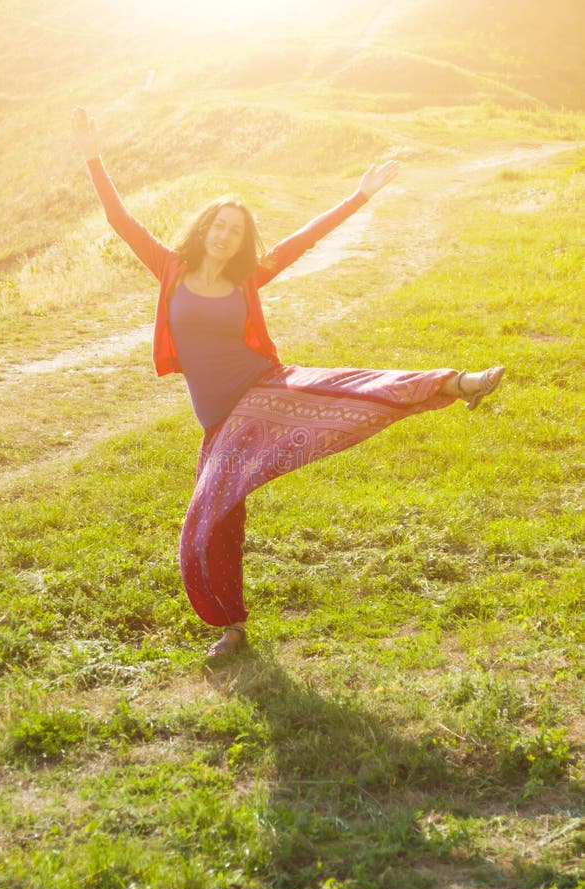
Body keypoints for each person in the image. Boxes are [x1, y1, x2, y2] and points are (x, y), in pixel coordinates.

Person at [72, 107, 504, 656]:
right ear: (204, 228)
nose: (226, 237)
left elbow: (303, 240)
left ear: (242, 241)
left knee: (347, 386)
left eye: (237, 231)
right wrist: (92, 154)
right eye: (219, 226)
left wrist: (359, 196)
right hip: (219, 421)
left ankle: (459, 384)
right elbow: (120, 219)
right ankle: (232, 627)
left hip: (265, 390)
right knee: (212, 522)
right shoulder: (169, 269)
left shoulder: (246, 277)